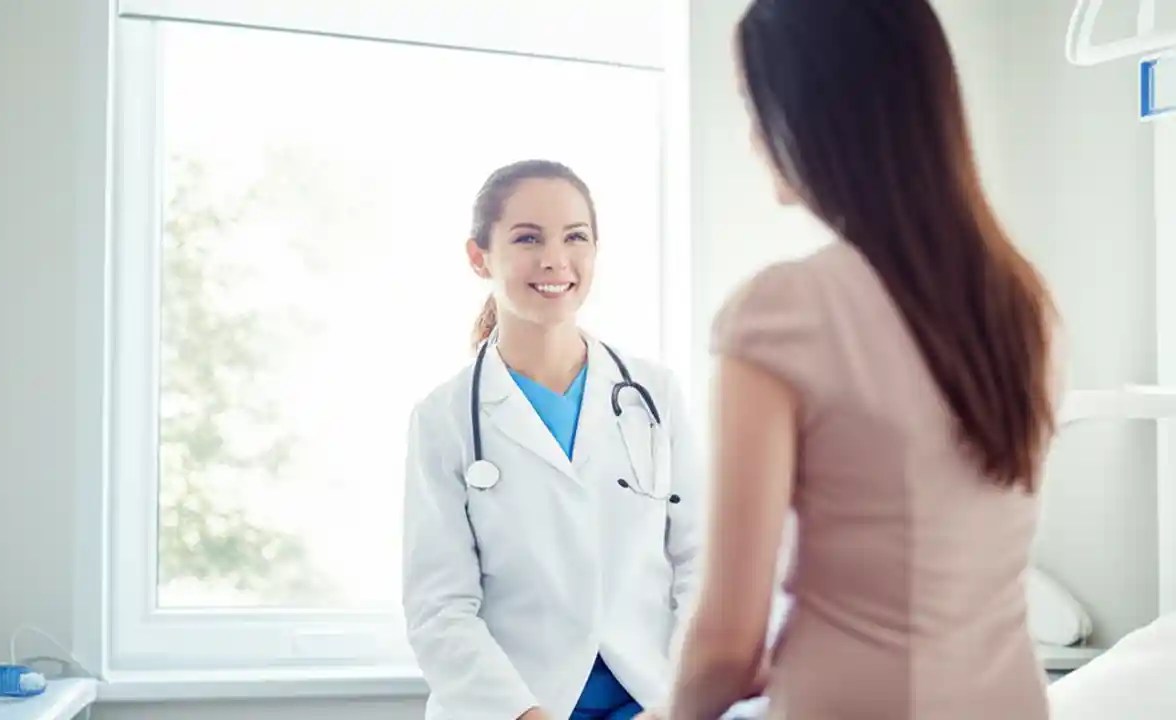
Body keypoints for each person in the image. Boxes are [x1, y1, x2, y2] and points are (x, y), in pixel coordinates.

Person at [655, 1, 1061, 718]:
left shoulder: (784, 311)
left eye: (755, 107)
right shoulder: (1023, 304)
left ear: (812, 115)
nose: (753, 139)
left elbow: (727, 642)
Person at [402, 160, 704, 720]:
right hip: (513, 709)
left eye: (575, 238)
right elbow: (439, 610)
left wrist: (678, 703)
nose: (554, 260)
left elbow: (699, 562)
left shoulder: (654, 395)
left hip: (654, 702)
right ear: (479, 257)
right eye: (527, 238)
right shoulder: (443, 418)